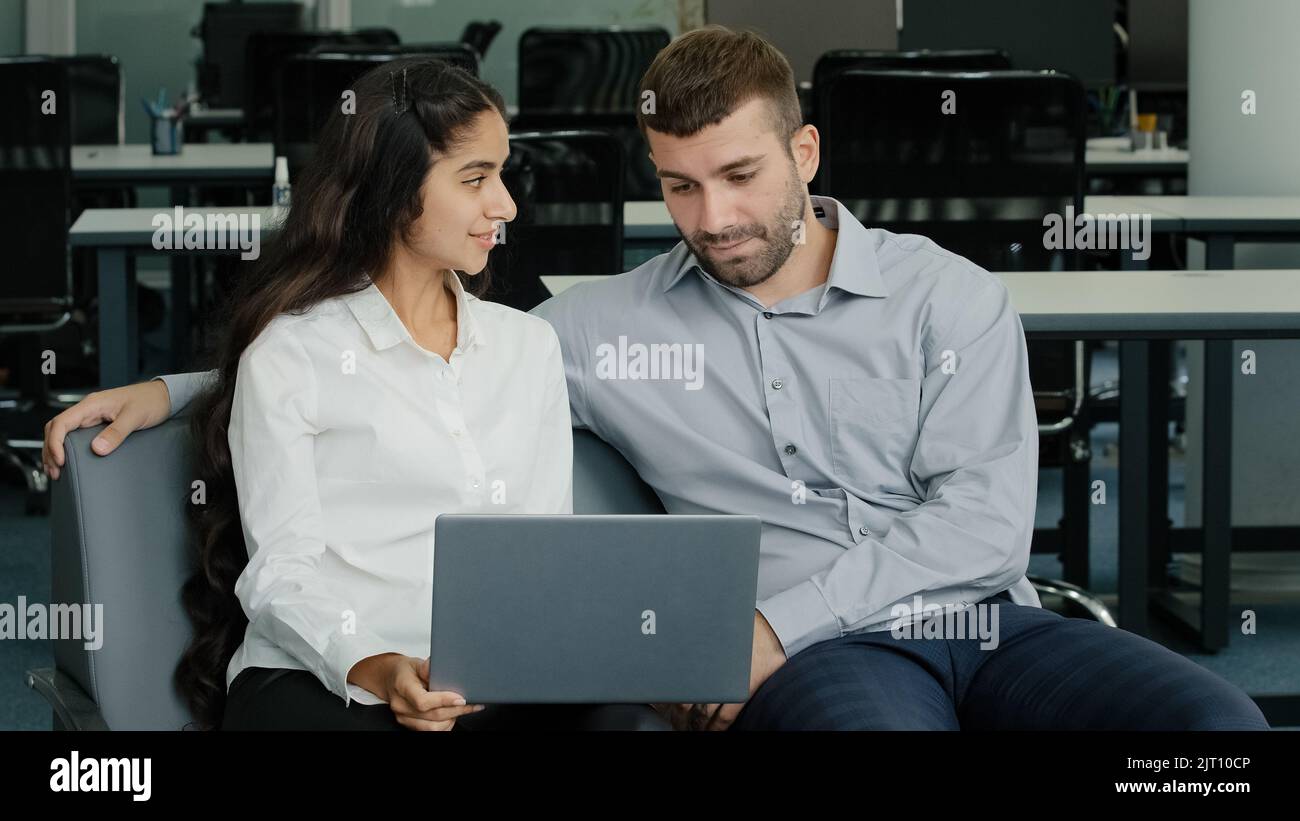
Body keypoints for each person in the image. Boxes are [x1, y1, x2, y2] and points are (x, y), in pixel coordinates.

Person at [45, 29, 1269, 731]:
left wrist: (760, 629)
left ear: (804, 151)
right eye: (679, 186)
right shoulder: (600, 328)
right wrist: (177, 390)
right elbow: (385, 360)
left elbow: (985, 525)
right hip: (830, 675)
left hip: (973, 621)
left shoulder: (947, 296)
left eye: (738, 176)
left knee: (1218, 731)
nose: (713, 217)